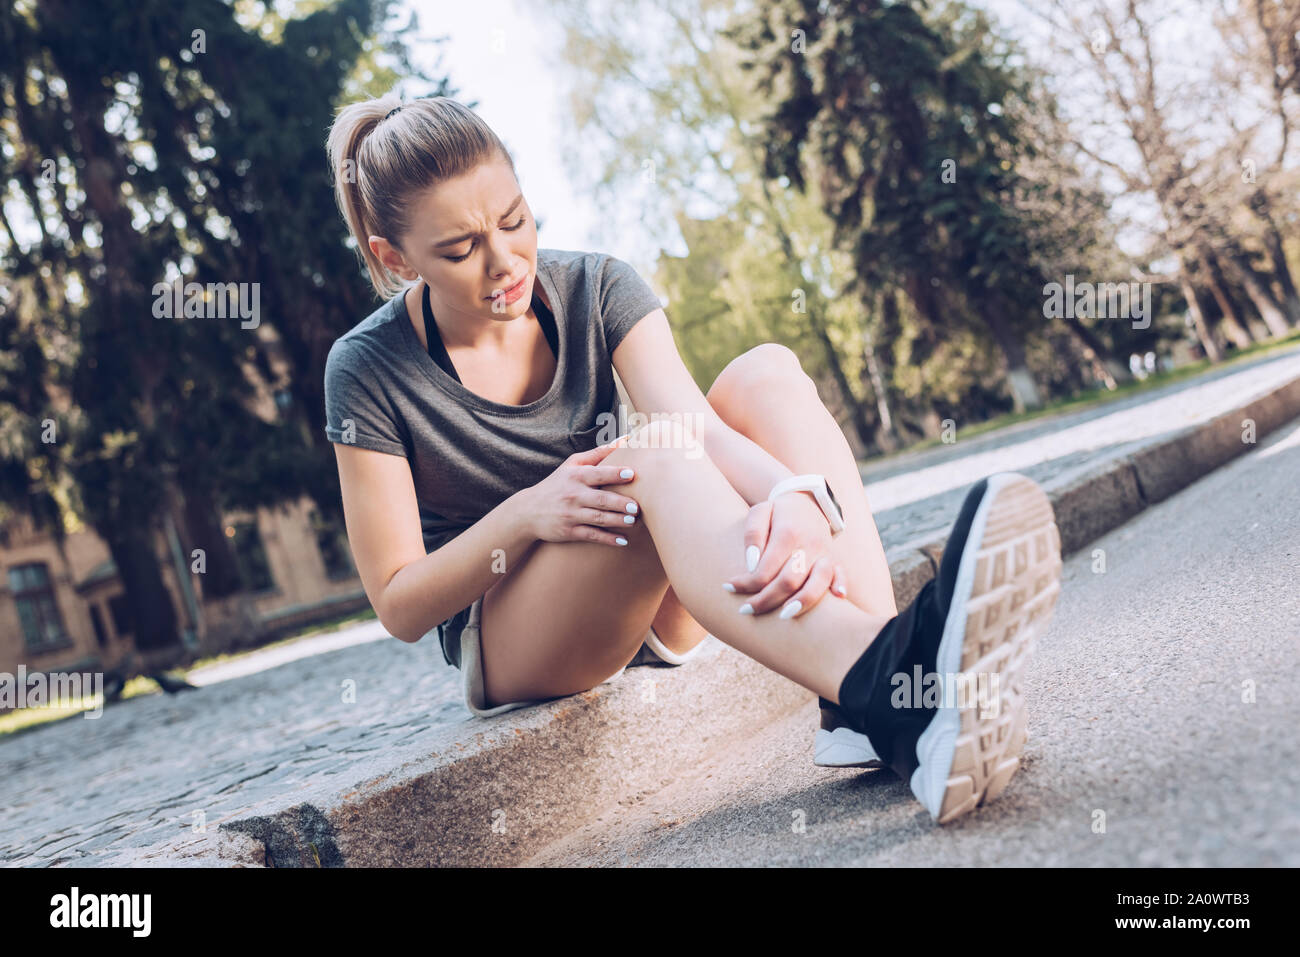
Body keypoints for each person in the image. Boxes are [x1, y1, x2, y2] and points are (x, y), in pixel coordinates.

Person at [321, 93, 1064, 824]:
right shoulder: (367, 368)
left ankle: (869, 704)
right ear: (395, 256)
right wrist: (528, 511)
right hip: (522, 629)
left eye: (515, 219)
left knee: (764, 372)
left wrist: (796, 494)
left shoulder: (597, 285)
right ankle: (907, 686)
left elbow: (696, 429)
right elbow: (399, 602)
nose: (504, 260)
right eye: (459, 250)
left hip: (661, 580)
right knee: (645, 452)